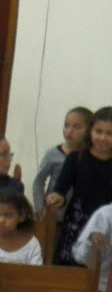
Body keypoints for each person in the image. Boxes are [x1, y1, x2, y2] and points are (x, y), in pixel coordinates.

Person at [47, 106, 112, 265]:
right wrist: (56, 199)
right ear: (90, 132)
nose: (102, 138)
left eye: (109, 133)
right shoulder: (75, 158)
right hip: (75, 226)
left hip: (105, 229)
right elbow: (60, 192)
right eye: (98, 131)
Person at [33, 106, 92, 215]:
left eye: (77, 127)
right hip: (54, 215)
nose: (69, 131)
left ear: (89, 130)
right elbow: (39, 181)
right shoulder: (53, 153)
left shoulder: (90, 157)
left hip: (79, 215)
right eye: (66, 125)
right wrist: (39, 209)